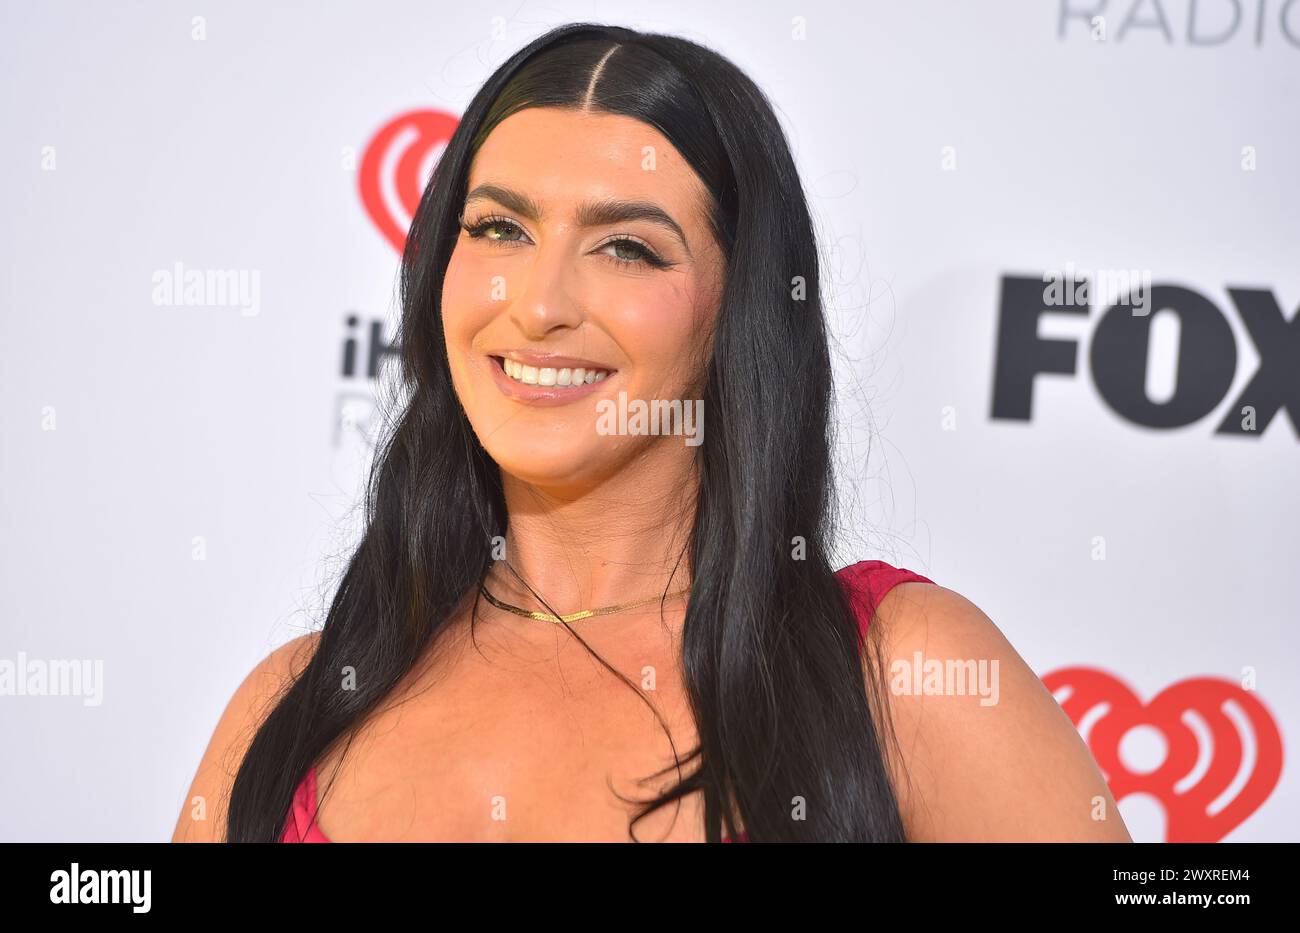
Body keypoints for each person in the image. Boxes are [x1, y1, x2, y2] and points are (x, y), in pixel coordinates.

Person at [172, 23, 1130, 843]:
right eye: (499, 228)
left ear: (737, 311)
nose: (540, 304)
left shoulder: (904, 675)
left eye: (626, 247)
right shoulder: (293, 702)